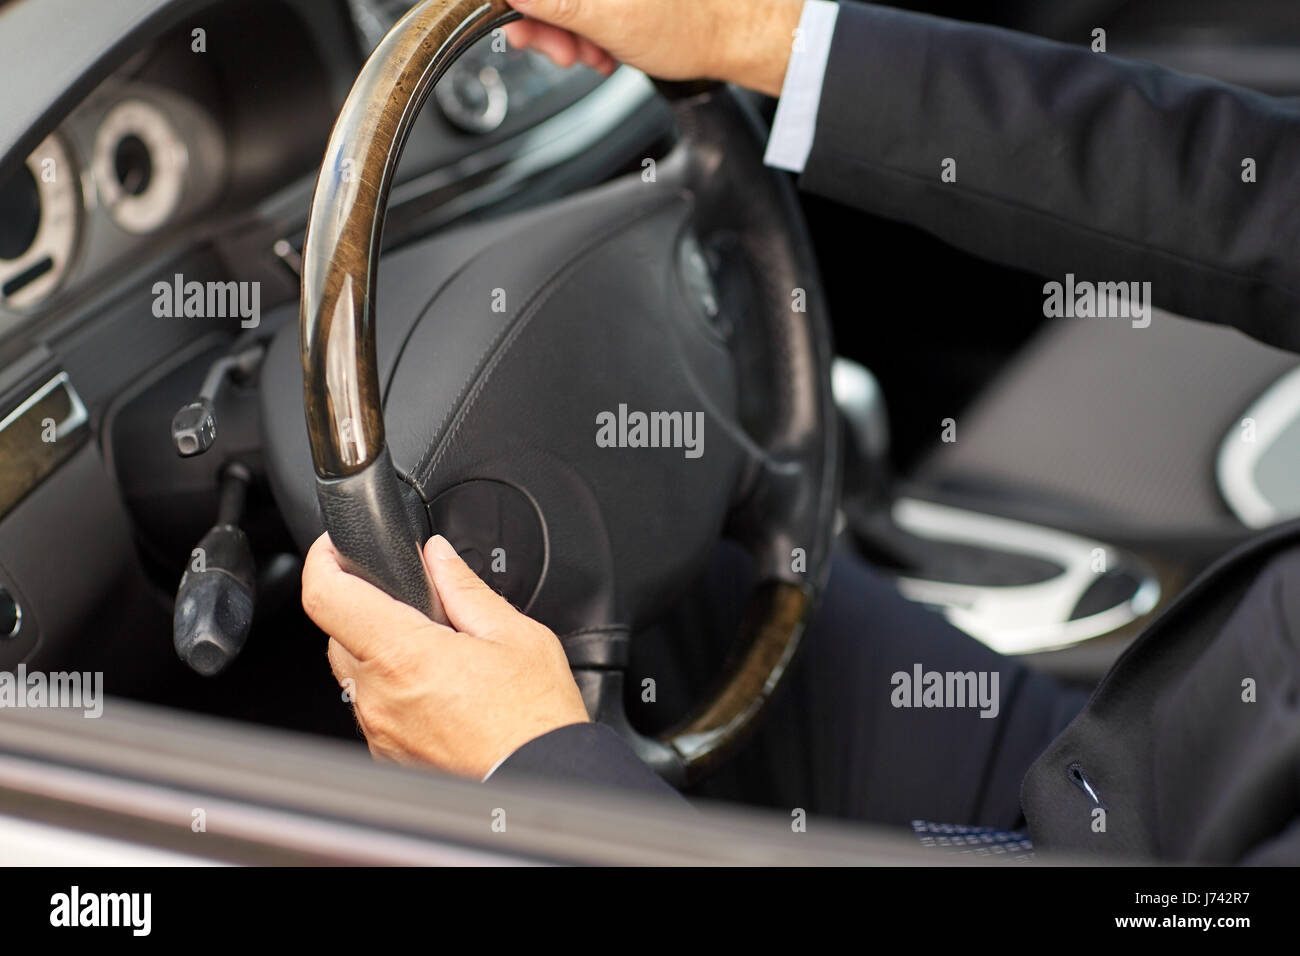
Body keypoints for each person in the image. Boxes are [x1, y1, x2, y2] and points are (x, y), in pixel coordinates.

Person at [301, 0, 1300, 861]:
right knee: (689, 607)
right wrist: (748, 30)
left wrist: (536, 776)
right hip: (1178, 765)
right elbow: (1259, 191)